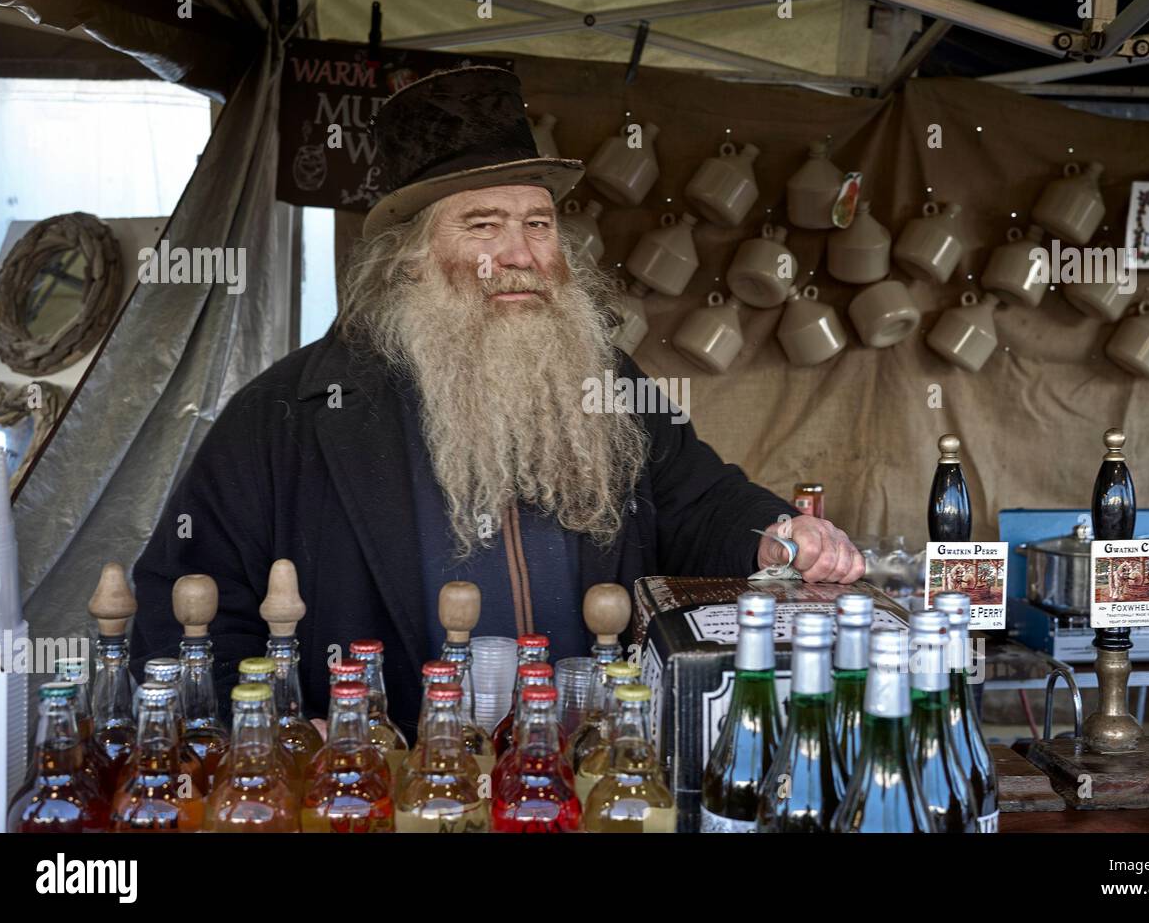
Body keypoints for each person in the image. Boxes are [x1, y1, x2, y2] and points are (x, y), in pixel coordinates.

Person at [130, 65, 863, 739]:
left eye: (538, 224)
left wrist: (773, 534)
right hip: (388, 783)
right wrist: (273, 731)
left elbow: (698, 501)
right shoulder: (287, 415)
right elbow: (183, 610)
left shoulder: (606, 382)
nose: (521, 254)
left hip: (581, 770)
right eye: (484, 225)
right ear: (409, 259)